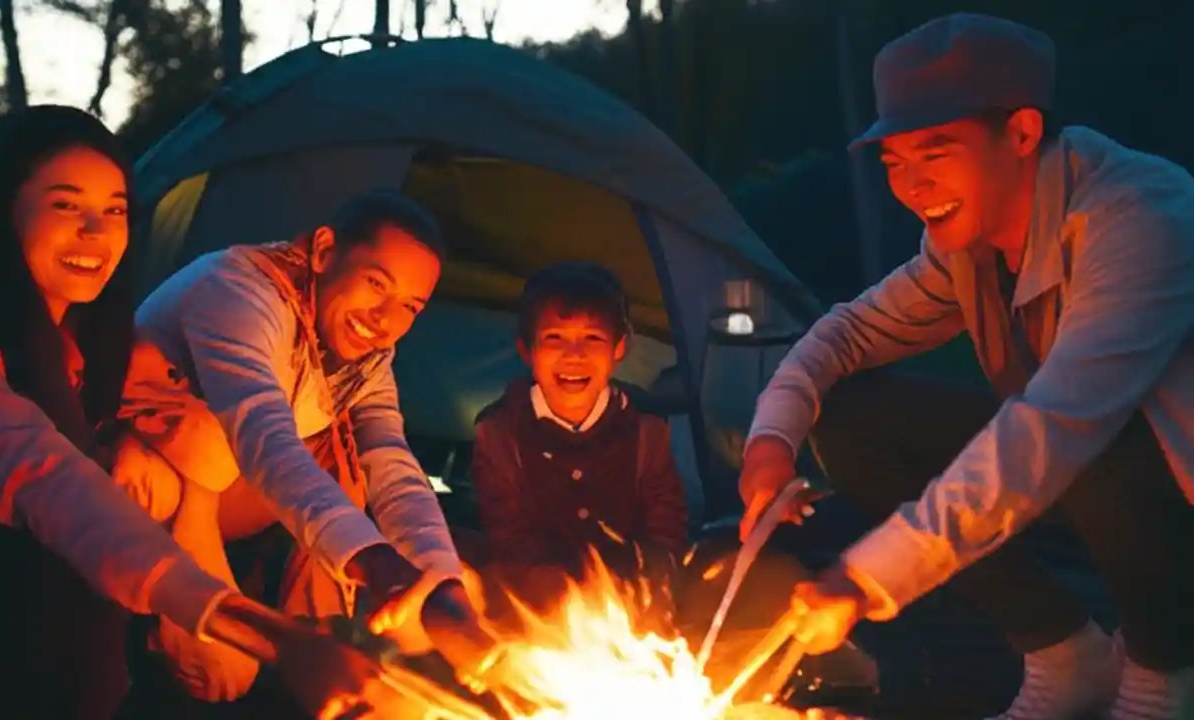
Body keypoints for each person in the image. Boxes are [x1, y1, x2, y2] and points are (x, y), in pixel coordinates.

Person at [739, 13, 1194, 720]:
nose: (913, 186)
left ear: (1020, 133)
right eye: (894, 162)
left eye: (935, 152)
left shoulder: (1139, 217)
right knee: (855, 420)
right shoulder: (967, 247)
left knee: (1087, 431)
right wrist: (771, 440)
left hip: (1174, 502)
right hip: (1090, 486)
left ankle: (1165, 674)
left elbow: (1058, 423)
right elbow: (845, 334)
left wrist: (860, 579)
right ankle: (1063, 655)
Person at [0, 105, 363, 719]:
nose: (96, 234)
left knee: (171, 459)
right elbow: (46, 479)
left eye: (116, 210)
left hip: (32, 614)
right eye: (66, 206)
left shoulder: (90, 333)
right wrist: (269, 633)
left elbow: (193, 440)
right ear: (4, 211)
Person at [113, 189, 481, 705]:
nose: (384, 319)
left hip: (233, 487)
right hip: (147, 480)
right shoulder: (240, 290)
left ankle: (319, 653)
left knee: (344, 454)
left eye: (409, 308)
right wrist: (376, 563)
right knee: (224, 675)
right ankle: (155, 642)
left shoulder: (367, 360)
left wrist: (443, 584)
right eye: (376, 284)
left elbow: (391, 462)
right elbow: (263, 437)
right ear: (325, 251)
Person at [470, 262, 688, 613]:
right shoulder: (499, 433)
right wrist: (566, 592)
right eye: (554, 338)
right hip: (542, 603)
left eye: (593, 338)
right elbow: (508, 536)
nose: (574, 355)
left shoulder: (646, 428)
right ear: (527, 350)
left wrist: (647, 582)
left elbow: (666, 526)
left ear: (619, 349)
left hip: (630, 600)